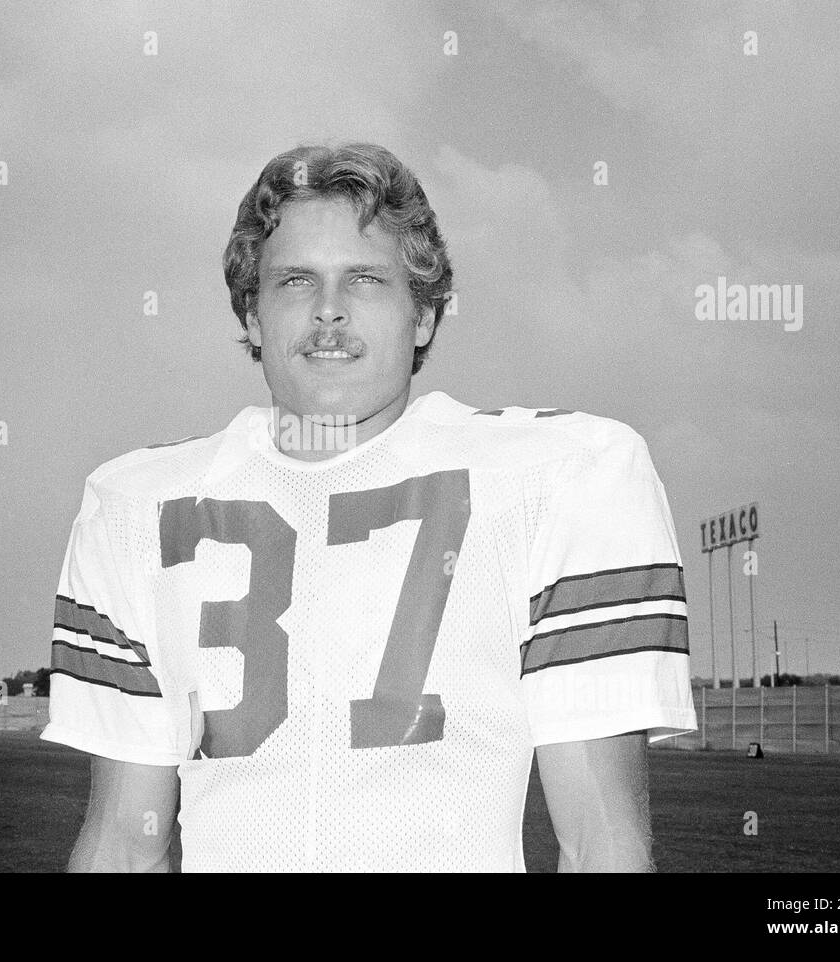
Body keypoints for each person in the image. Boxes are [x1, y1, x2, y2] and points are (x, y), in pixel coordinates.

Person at [42, 142, 697, 872]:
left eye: (365, 280)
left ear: (423, 317)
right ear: (252, 317)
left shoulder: (562, 479)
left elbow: (600, 842)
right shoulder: (136, 507)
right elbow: (125, 846)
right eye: (294, 281)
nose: (328, 312)